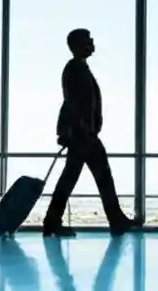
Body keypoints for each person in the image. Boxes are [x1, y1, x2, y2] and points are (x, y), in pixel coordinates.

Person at [43, 29, 141, 237]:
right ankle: (115, 220)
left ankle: (52, 221)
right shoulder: (75, 69)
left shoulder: (78, 68)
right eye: (88, 41)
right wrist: (82, 129)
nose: (92, 44)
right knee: (100, 176)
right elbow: (74, 103)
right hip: (83, 134)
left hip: (82, 133)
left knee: (74, 178)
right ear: (77, 45)